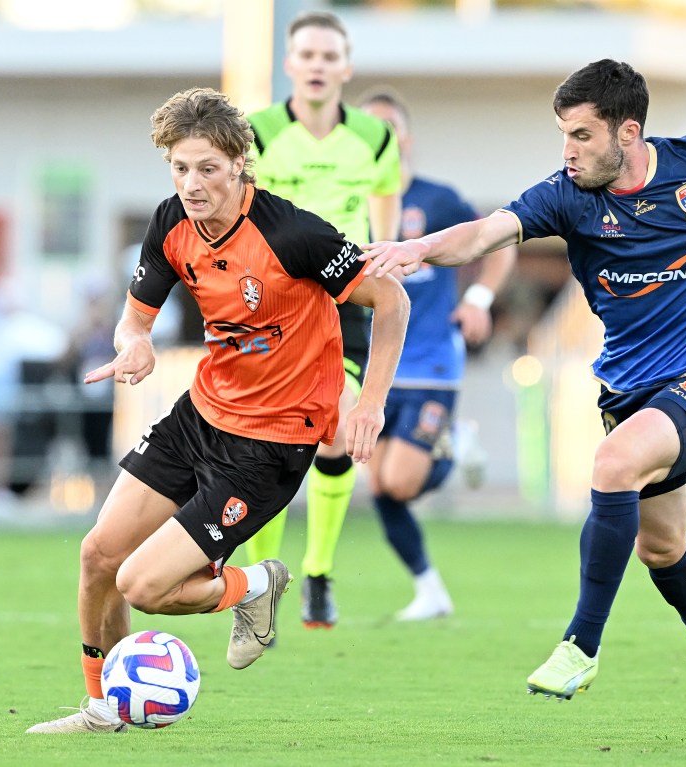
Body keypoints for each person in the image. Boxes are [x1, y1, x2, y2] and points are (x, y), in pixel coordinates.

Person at [362, 59, 686, 729]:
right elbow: (483, 232)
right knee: (661, 548)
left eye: (582, 135)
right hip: (630, 393)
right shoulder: (567, 196)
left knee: (612, 463)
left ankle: (580, 644)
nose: (568, 151)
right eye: (564, 134)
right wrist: (416, 249)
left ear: (628, 131)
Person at [27, 87, 409, 734]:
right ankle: (101, 707)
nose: (192, 183)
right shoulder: (170, 223)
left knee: (143, 586)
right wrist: (135, 343)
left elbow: (392, 299)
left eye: (206, 167)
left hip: (272, 445)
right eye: (180, 167)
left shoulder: (294, 234)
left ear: (239, 163)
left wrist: (369, 402)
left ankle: (255, 583)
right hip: (200, 415)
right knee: (98, 556)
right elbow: (134, 318)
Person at [243, 9, 402, 629]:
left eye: (328, 56)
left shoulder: (374, 137)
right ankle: (262, 583)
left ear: (346, 67)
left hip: (341, 304)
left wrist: (384, 261)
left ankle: (317, 573)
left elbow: (386, 199)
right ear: (289, 64)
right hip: (273, 304)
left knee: (333, 432)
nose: (317, 65)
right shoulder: (254, 132)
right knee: (268, 440)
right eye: (306, 55)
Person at [359, 89, 516, 620]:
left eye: (389, 126)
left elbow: (498, 240)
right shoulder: (349, 203)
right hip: (375, 367)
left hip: (430, 363)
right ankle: (429, 589)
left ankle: (456, 442)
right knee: (379, 487)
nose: (381, 135)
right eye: (369, 126)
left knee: (400, 480)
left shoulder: (438, 198)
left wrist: (477, 297)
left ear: (406, 138)